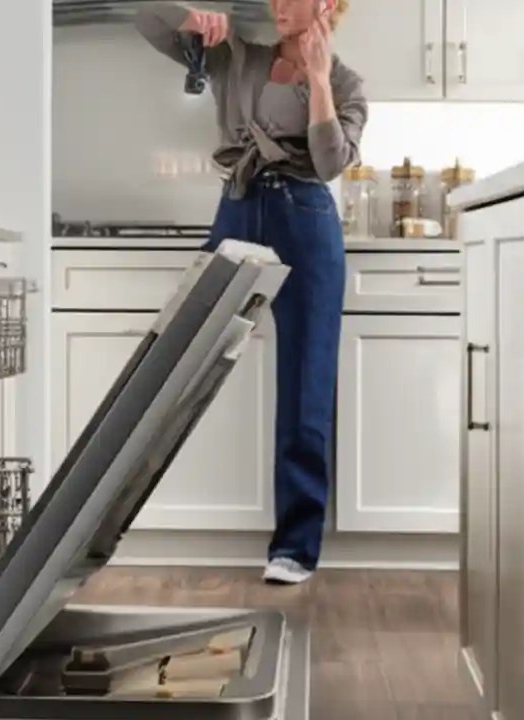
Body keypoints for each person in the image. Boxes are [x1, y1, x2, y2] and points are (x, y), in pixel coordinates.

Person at [135, 0, 366, 585]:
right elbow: (143, 13)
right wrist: (187, 17)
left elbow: (330, 161)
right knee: (174, 359)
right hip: (237, 210)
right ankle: (116, 514)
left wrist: (316, 78)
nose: (281, 4)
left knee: (306, 384)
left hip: (307, 222)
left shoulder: (346, 83)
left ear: (330, 5)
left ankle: (295, 548)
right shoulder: (235, 55)